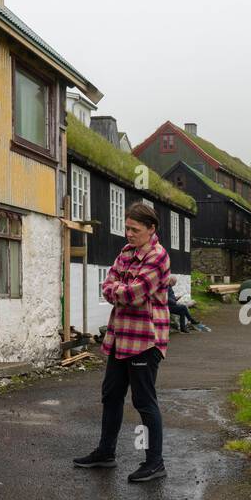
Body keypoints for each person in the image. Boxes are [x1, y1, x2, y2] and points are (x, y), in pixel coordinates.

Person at [73, 200, 170, 482]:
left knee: (144, 401)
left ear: (151, 229)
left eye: (135, 229)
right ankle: (106, 452)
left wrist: (118, 289)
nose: (128, 234)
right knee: (111, 395)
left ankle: (154, 462)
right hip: (120, 338)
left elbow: (134, 294)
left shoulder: (159, 256)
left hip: (144, 340)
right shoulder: (126, 252)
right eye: (126, 228)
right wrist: (118, 288)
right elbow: (108, 285)